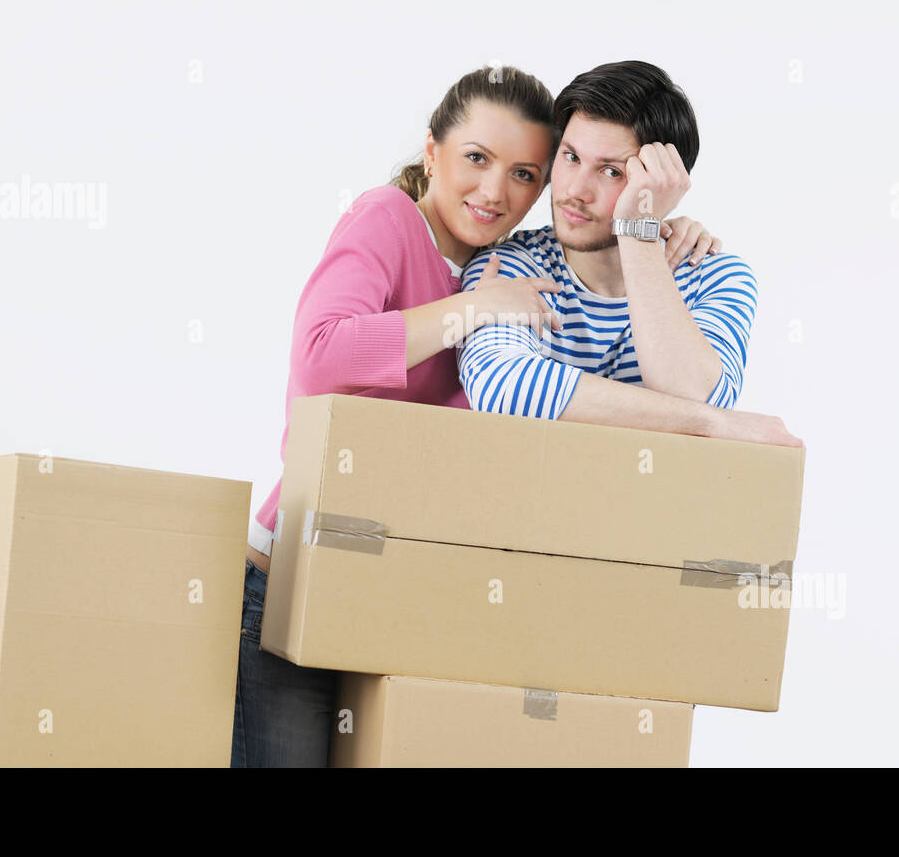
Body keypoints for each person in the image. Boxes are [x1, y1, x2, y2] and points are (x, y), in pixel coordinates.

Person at [233, 64, 726, 767]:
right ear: (431, 151)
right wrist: (473, 309)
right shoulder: (389, 220)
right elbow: (320, 356)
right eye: (475, 159)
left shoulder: (504, 267)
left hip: (395, 582)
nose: (497, 191)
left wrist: (648, 231)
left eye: (525, 173)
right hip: (293, 568)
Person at [457, 60, 804, 449]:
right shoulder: (511, 264)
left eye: (611, 172)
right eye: (571, 157)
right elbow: (502, 388)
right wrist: (711, 424)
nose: (575, 190)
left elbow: (698, 395)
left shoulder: (716, 276)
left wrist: (639, 231)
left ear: (663, 184)